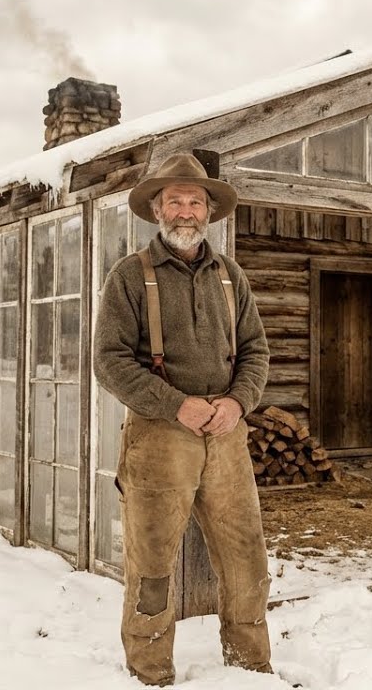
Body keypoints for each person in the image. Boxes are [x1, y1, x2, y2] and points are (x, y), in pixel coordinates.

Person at [93, 153, 272, 686]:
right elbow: (109, 361)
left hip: (226, 435)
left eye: (196, 201)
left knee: (246, 560)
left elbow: (256, 350)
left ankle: (252, 668)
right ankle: (150, 673)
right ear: (156, 208)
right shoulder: (130, 276)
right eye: (175, 200)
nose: (186, 210)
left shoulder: (229, 275)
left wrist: (237, 403)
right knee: (152, 566)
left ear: (210, 210)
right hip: (159, 438)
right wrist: (178, 405)